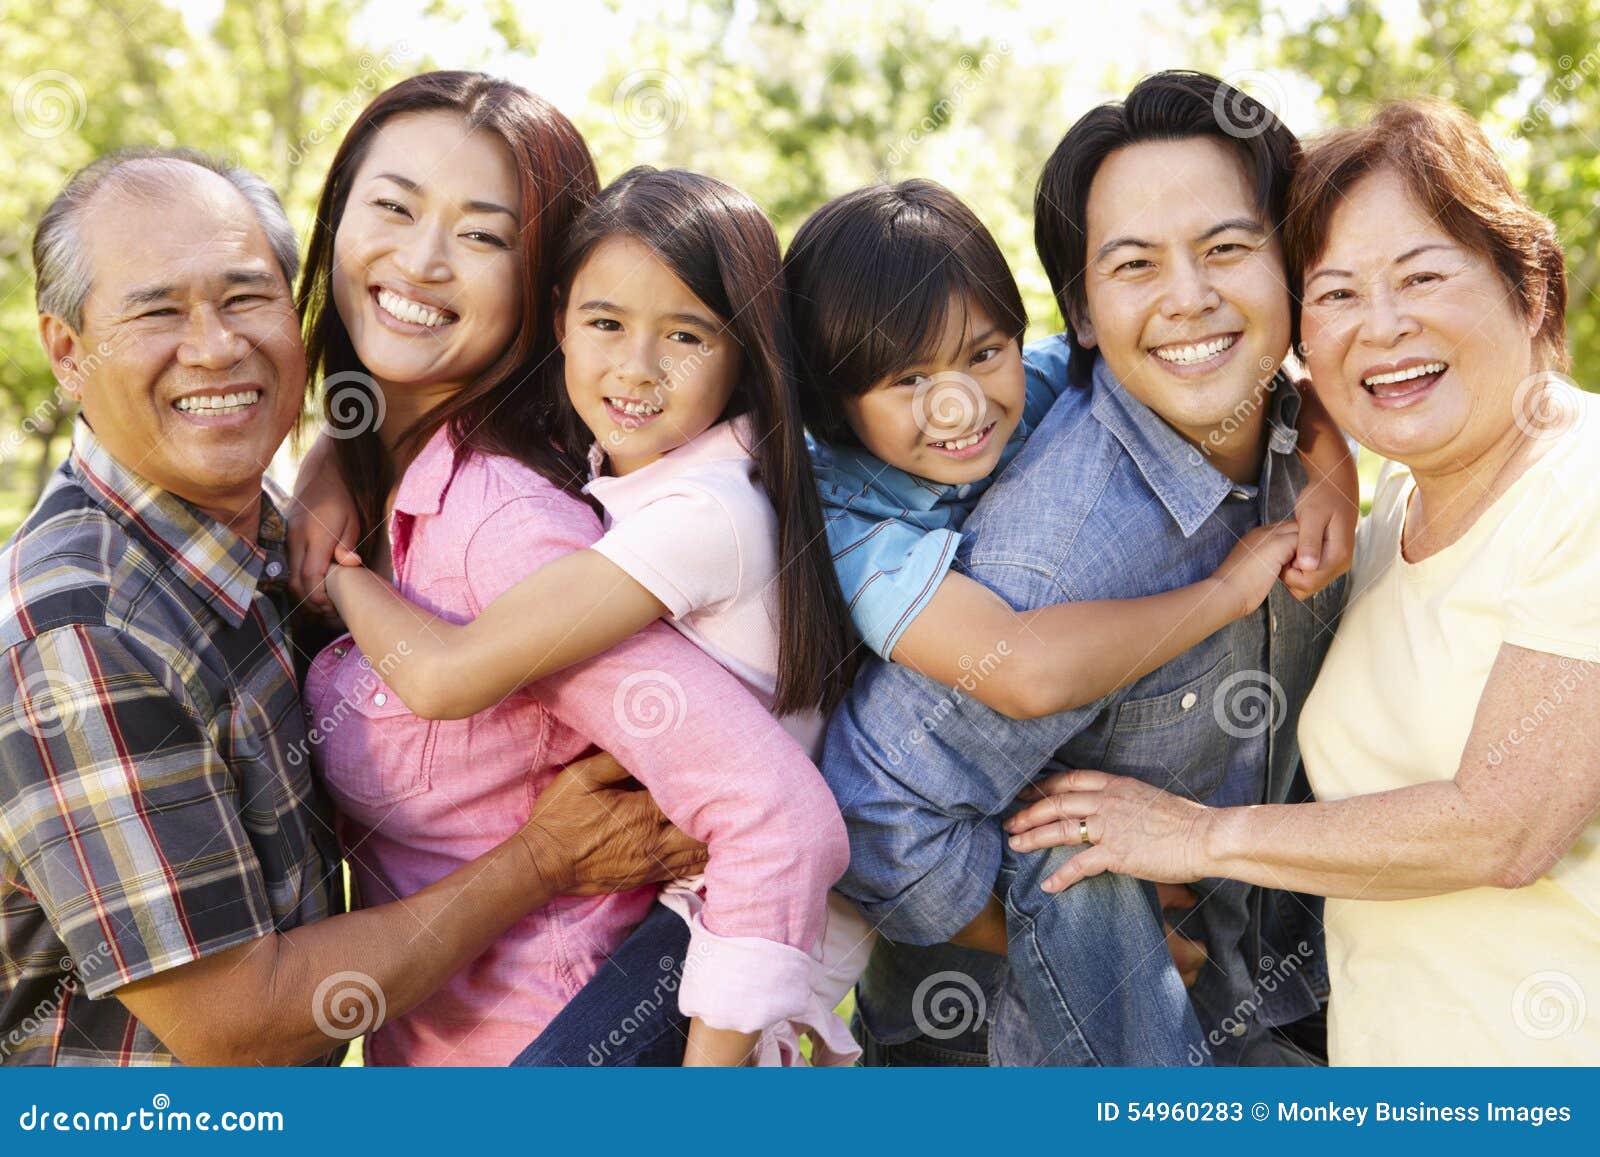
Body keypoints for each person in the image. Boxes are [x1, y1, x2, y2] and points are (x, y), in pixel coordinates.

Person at [0, 146, 703, 1066]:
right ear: (67, 352)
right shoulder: (82, 631)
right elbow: (238, 1023)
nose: (215, 345)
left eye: (248, 298)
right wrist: (543, 860)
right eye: (158, 310)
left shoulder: (269, 537)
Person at [1007, 98, 1600, 1065]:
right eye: (1335, 294)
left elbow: (1507, 826)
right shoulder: (1382, 519)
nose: (1384, 325)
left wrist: (1198, 838)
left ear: (1527, 285)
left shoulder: (1583, 486)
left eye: (1422, 275)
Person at [289, 72, 848, 1067]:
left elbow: (776, 814)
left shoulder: (508, 525)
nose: (421, 258)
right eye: (394, 206)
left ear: (535, 283)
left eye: (482, 234)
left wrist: (337, 574)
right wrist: (335, 459)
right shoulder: (387, 480)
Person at [822, 70, 1350, 1066]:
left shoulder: (1292, 427)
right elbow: (871, 817)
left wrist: (1330, 455)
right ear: (1085, 313)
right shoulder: (1063, 550)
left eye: (1227, 249)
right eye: (1136, 266)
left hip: (1262, 992)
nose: (1190, 298)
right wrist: (1090, 919)